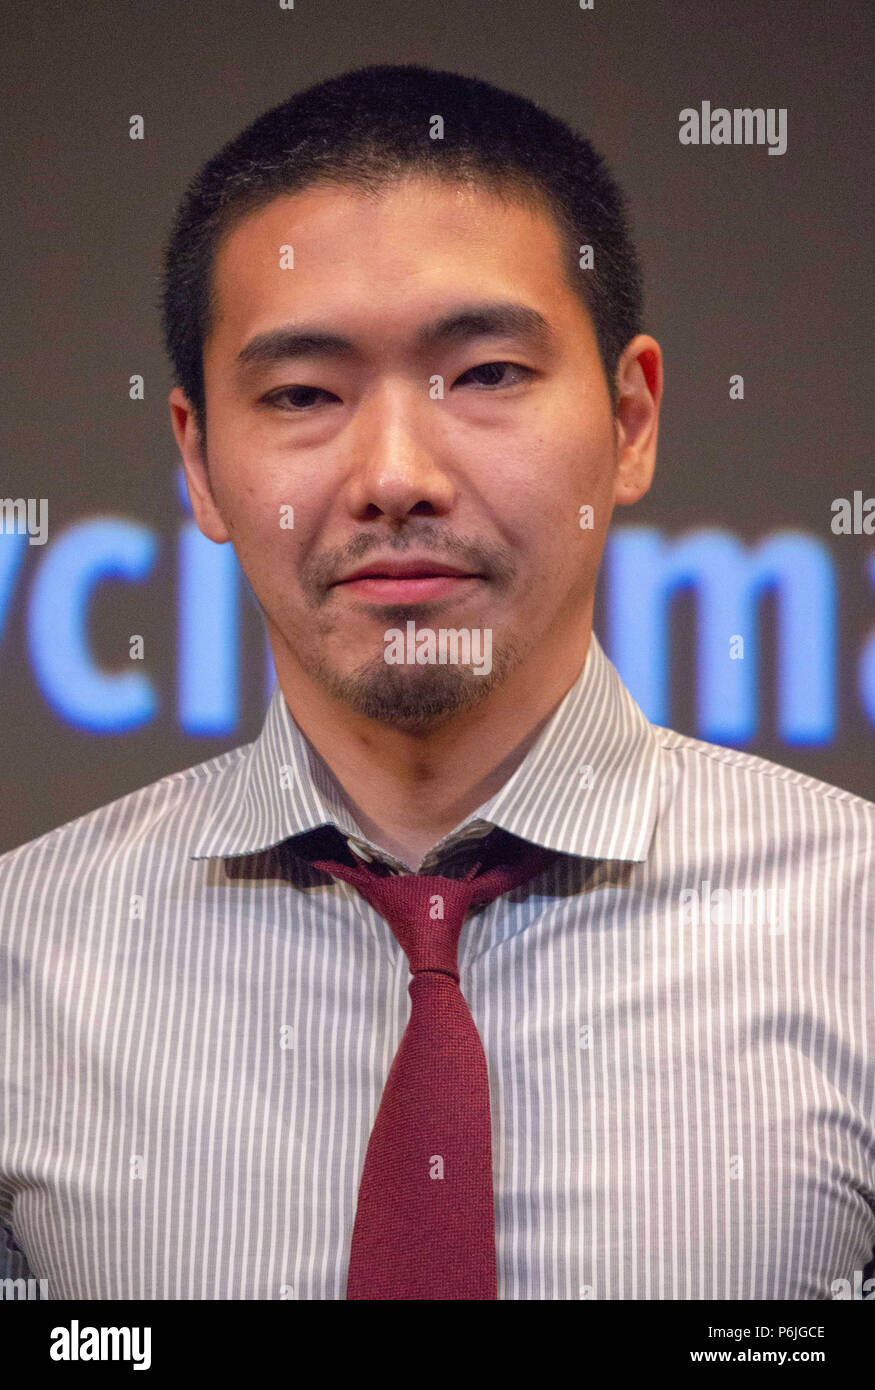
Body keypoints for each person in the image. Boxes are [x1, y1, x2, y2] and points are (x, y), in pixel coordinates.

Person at [1, 63, 872, 1301]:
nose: (396, 472)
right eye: (303, 393)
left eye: (484, 376)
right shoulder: (20, 965)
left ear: (629, 423)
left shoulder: (855, 933)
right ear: (196, 460)